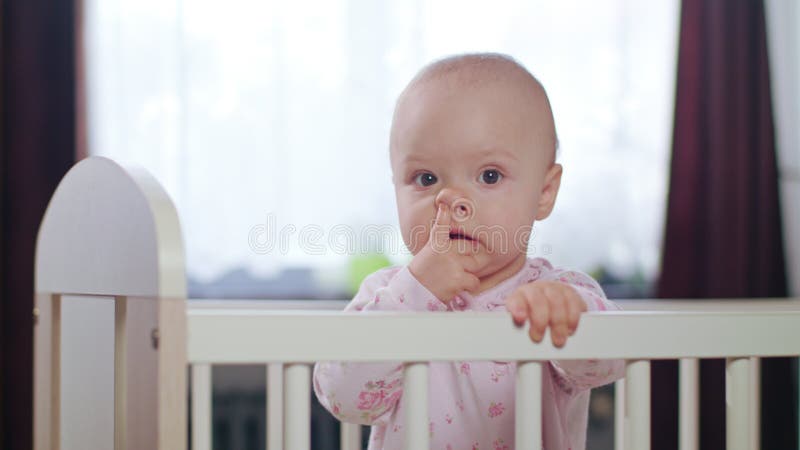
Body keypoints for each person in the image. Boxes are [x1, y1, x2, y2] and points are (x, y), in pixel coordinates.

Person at [313, 53, 624, 450]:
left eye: (489, 176)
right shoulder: (387, 295)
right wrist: (415, 293)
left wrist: (569, 316)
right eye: (425, 178)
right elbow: (343, 396)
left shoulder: (557, 291)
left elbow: (609, 361)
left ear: (544, 192)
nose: (452, 201)